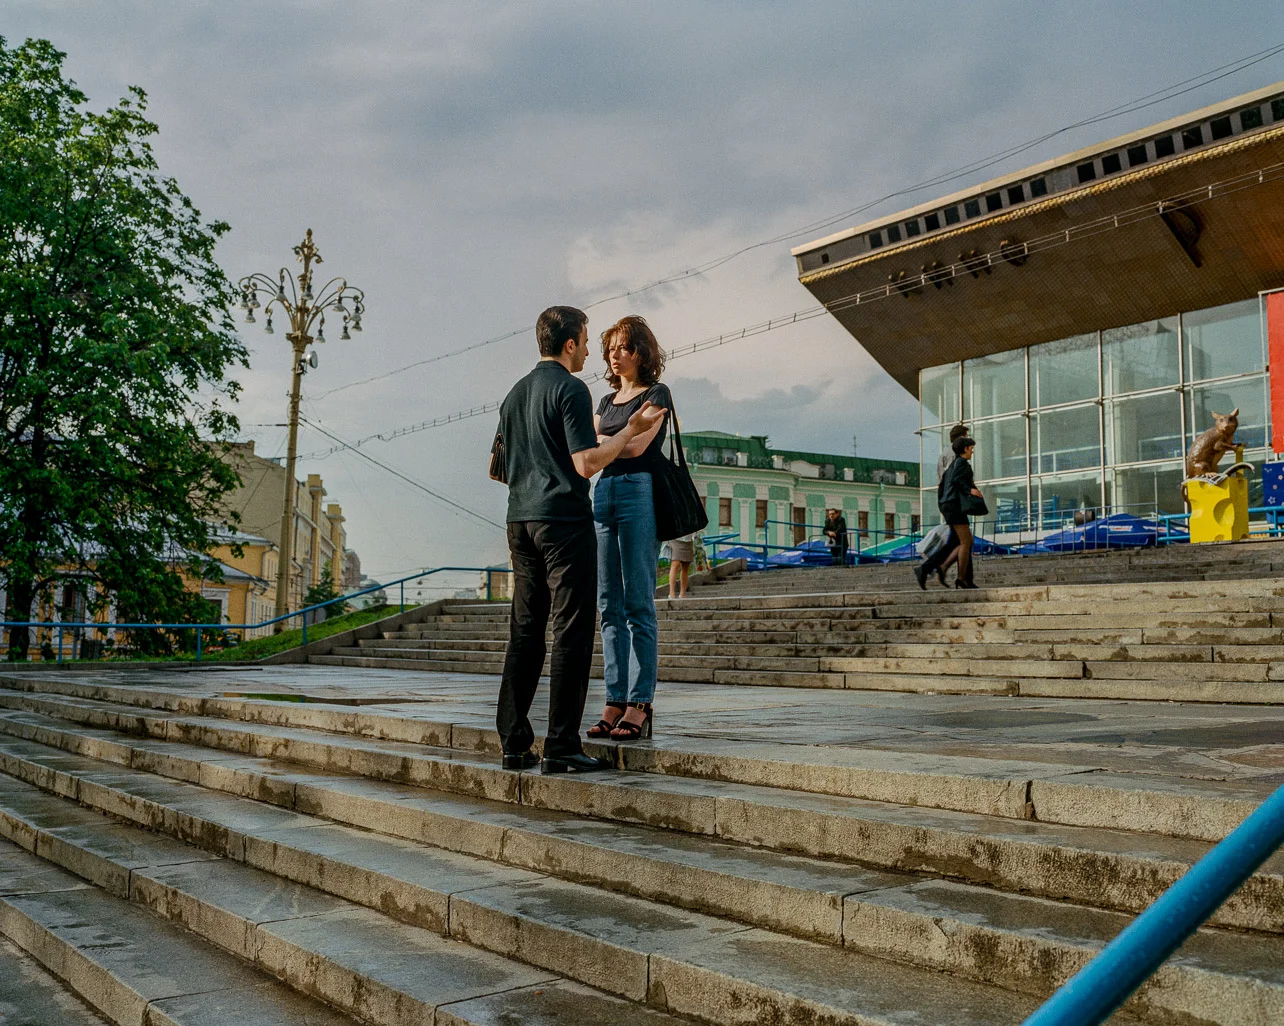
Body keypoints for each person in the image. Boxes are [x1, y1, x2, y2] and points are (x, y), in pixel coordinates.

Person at [490, 306, 666, 774]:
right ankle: (561, 746)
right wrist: (629, 429)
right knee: (569, 629)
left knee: (525, 632)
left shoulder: (514, 393)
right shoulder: (569, 388)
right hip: (563, 521)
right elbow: (587, 462)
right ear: (569, 343)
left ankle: (513, 742)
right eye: (587, 341)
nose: (590, 350)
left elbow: (499, 467)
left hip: (519, 521)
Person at [585, 316, 671, 743]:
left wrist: (608, 442)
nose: (615, 356)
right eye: (610, 350)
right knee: (608, 604)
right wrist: (616, 438)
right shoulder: (604, 401)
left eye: (623, 348)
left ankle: (640, 702)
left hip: (640, 491)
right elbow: (590, 450)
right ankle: (614, 698)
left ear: (641, 351)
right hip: (604, 493)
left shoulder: (656, 394)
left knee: (639, 601)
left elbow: (636, 446)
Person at [917, 435, 983, 590]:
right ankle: (960, 578)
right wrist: (970, 490)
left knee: (959, 542)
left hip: (949, 506)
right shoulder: (961, 464)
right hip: (955, 507)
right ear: (965, 449)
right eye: (971, 449)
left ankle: (942, 568)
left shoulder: (952, 465)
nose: (972, 452)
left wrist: (943, 504)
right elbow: (956, 481)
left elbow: (943, 486)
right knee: (966, 542)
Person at [666, 534, 694, 599]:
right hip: (675, 538)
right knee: (675, 564)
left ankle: (683, 593)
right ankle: (671, 592)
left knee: (685, 566)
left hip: (688, 539)